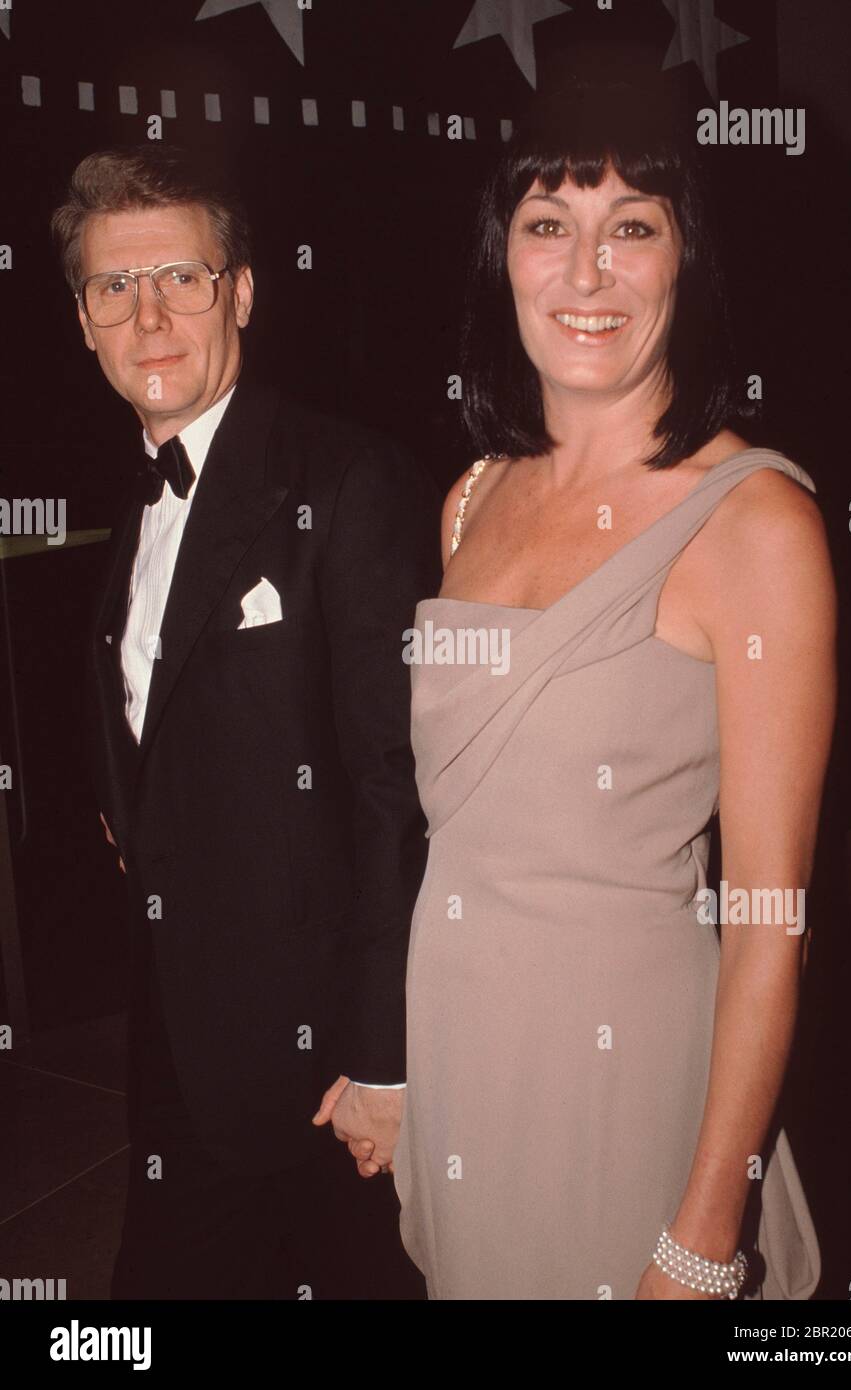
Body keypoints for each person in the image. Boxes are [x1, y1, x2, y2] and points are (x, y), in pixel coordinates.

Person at [378, 82, 835, 1300]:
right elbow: (457, 841)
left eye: (633, 225)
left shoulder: (754, 526)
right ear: (503, 255)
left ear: (689, 261)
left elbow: (770, 928)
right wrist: (406, 1076)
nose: (587, 270)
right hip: (470, 1058)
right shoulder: (470, 496)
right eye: (548, 223)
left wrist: (700, 1231)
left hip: (629, 1091)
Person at [50, 145, 438, 1299]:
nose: (150, 313)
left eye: (183, 275)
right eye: (116, 287)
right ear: (82, 320)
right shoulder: (136, 503)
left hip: (324, 1072)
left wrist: (386, 1061)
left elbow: (396, 789)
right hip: (179, 1029)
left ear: (244, 292)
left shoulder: (352, 481)